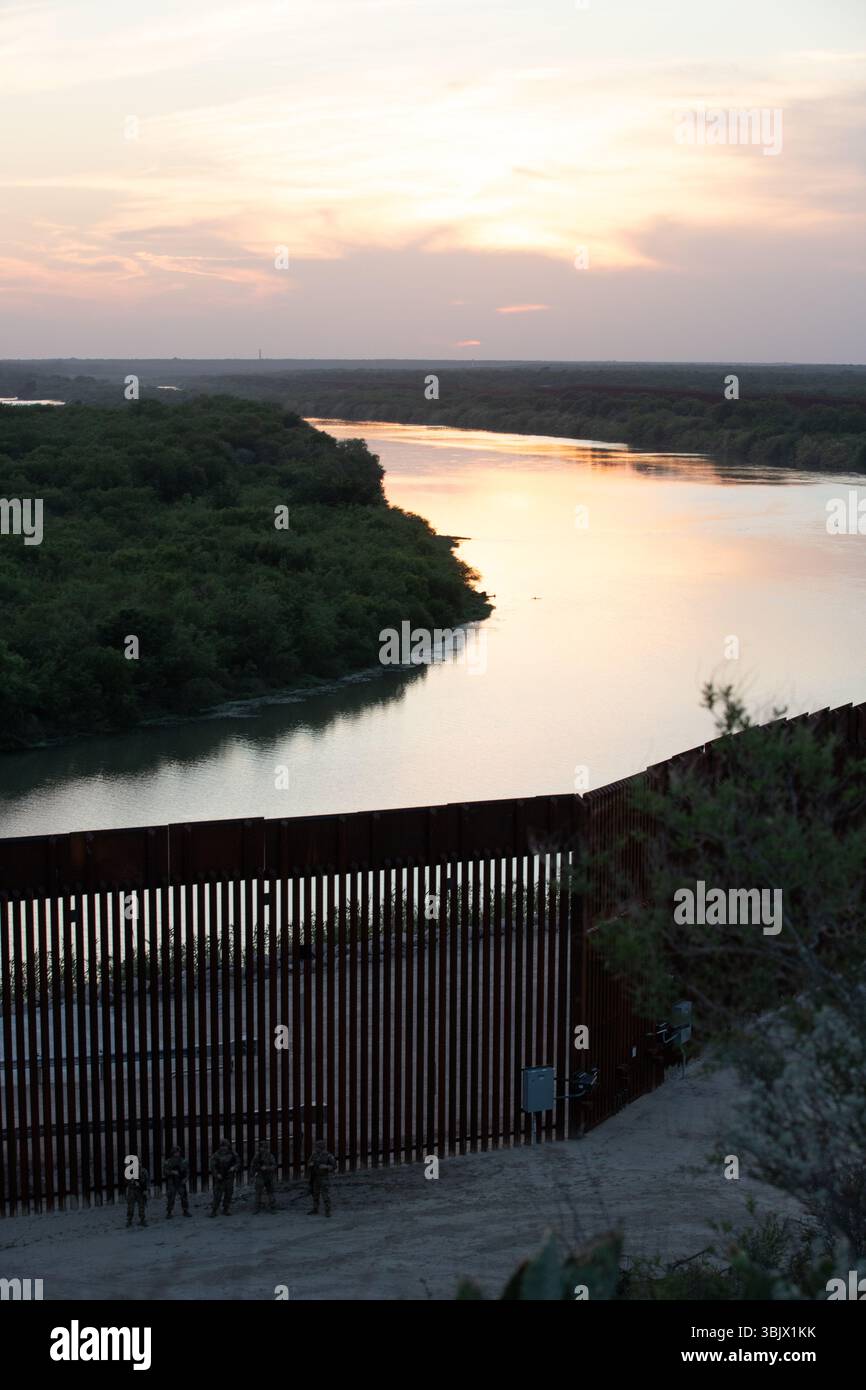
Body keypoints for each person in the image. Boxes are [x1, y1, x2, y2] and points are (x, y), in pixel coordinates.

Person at [209, 1137, 240, 1216]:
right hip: (220, 1178)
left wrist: (234, 1167)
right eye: (222, 1146)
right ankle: (214, 1210)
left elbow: (238, 1162)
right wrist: (217, 1174)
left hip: (229, 1177)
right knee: (217, 1195)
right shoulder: (216, 1155)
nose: (224, 1148)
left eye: (225, 1146)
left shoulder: (232, 1154)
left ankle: (226, 1209)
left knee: (228, 1194)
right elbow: (213, 1166)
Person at [306, 1139, 336, 1218]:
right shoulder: (314, 1155)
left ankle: (327, 1210)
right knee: (315, 1194)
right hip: (315, 1177)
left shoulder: (328, 1155)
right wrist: (310, 1164)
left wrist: (326, 1166)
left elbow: (334, 1166)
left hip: (323, 1177)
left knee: (325, 1195)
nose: (316, 1149)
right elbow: (309, 1163)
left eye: (317, 1147)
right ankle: (315, 1209)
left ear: (321, 1147)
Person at [249, 1141, 278, 1213]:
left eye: (264, 1148)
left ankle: (271, 1206)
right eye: (261, 1147)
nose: (263, 1149)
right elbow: (252, 1166)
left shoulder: (270, 1156)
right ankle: (257, 1207)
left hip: (269, 1176)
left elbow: (274, 1166)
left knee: (270, 1192)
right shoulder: (257, 1156)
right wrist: (252, 1176)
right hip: (260, 1175)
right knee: (258, 1192)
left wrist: (267, 1168)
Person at [164, 1145, 191, 1218]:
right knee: (171, 1197)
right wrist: (172, 1172)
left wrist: (185, 1179)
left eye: (178, 1152)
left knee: (184, 1197)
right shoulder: (168, 1162)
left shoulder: (184, 1161)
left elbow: (188, 1171)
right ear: (172, 1153)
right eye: (175, 1152)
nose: (177, 1154)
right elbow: (165, 1171)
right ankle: (169, 1212)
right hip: (172, 1182)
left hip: (181, 1181)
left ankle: (185, 1210)